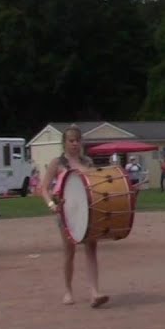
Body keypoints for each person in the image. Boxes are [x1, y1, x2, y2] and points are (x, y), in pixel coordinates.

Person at [39, 125, 108, 308]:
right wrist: (51, 204)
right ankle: (68, 290)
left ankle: (94, 292)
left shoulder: (88, 163)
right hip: (66, 213)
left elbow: (96, 186)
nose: (75, 144)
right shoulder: (58, 163)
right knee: (69, 252)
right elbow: (44, 188)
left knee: (91, 249)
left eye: (77, 140)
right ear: (64, 143)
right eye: (71, 140)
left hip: (88, 212)